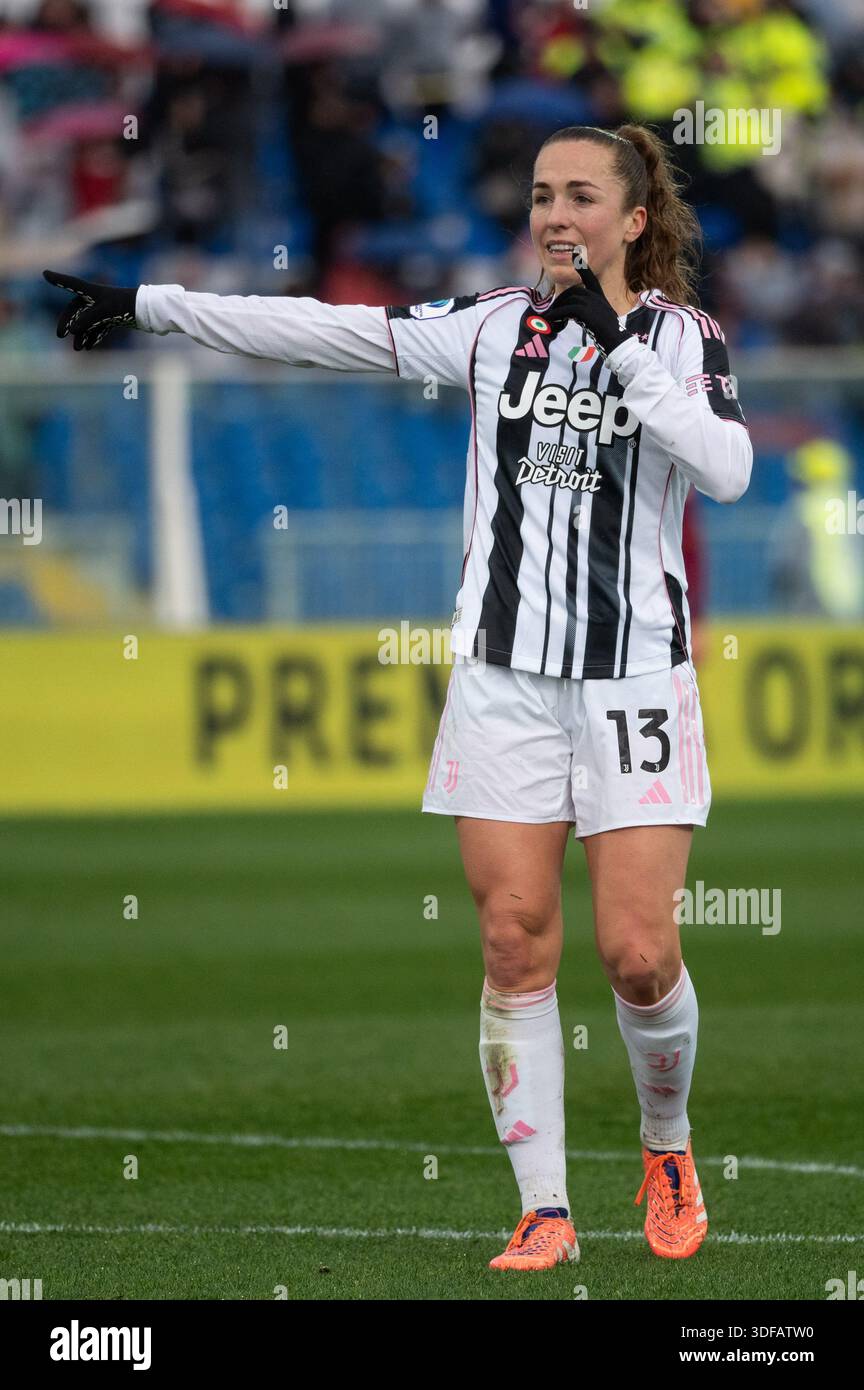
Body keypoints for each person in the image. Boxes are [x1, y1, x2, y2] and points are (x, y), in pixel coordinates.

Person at [43, 120, 752, 1272]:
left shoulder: (681, 337)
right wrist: (153, 302)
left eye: (581, 196)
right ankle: (546, 1209)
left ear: (632, 221)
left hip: (634, 679)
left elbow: (726, 468)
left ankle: (666, 1142)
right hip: (502, 680)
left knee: (638, 955)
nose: (555, 215)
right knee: (516, 938)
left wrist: (613, 343)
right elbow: (329, 331)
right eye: (539, 195)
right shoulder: (487, 328)